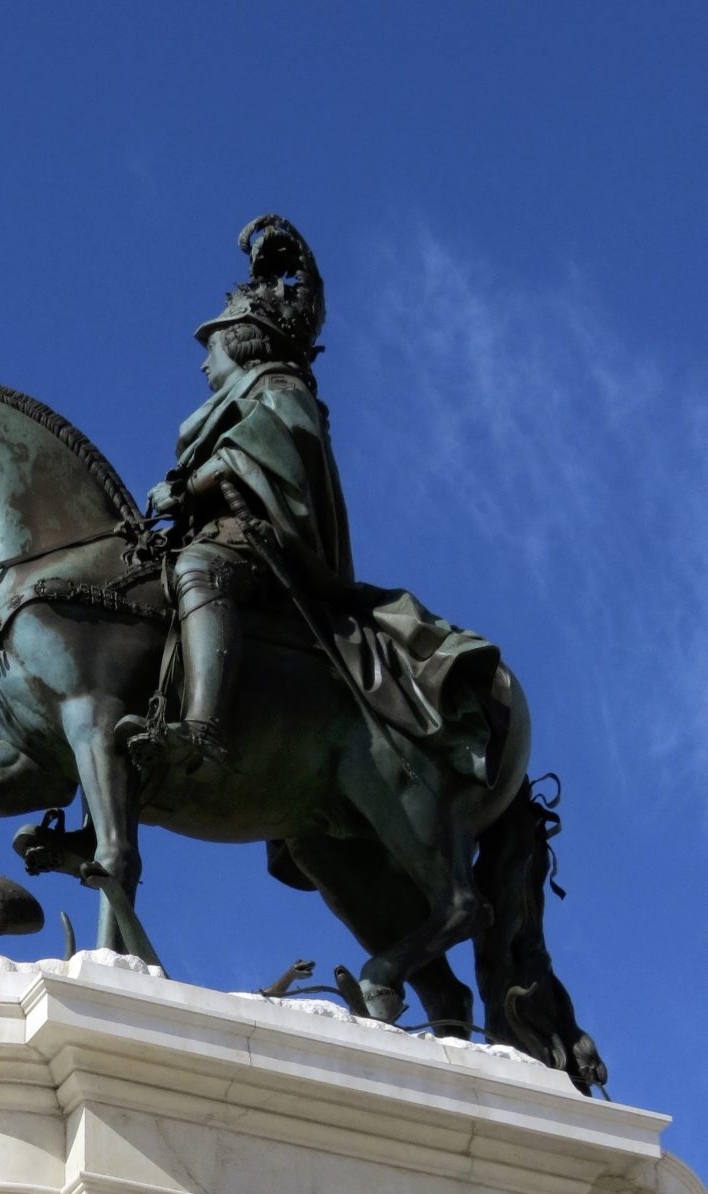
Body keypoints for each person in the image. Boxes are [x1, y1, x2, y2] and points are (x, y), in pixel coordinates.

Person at [119, 215, 507, 791]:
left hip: (257, 549)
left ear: (243, 340)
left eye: (214, 345)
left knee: (197, 569)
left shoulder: (279, 388)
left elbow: (271, 463)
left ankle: (205, 728)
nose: (204, 361)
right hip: (220, 537)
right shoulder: (242, 399)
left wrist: (188, 487)